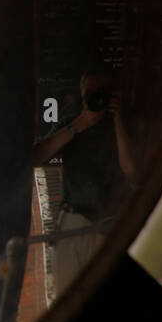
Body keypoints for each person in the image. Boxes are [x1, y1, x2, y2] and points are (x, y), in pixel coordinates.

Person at [32, 68, 137, 297]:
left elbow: (132, 172)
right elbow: (37, 156)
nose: (97, 97)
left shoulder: (125, 126)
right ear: (82, 93)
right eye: (92, 92)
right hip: (73, 220)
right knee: (66, 295)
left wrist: (118, 119)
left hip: (110, 223)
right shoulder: (71, 123)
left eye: (103, 93)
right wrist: (80, 124)